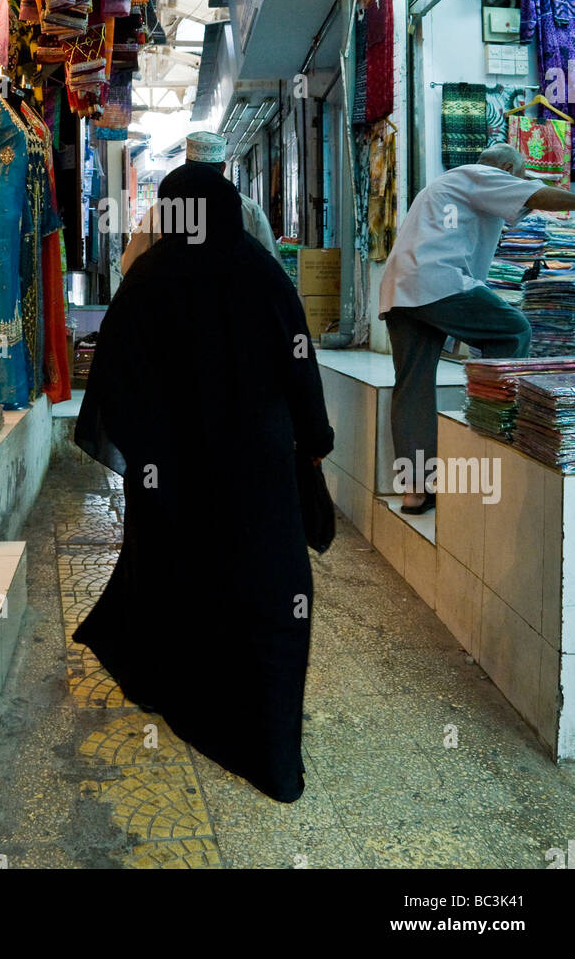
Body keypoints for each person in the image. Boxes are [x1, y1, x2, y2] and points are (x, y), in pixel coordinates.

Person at [74, 162, 334, 802]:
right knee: (268, 595)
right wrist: (315, 442)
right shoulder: (262, 272)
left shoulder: (149, 279)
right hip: (258, 477)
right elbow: (299, 361)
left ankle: (180, 691)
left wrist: (150, 446)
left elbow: (110, 379)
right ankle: (269, 745)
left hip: (174, 480)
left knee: (176, 580)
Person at [380, 144, 575, 513]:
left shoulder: (448, 184)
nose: (517, 184)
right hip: (438, 282)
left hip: (401, 290)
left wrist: (538, 186)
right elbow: (536, 195)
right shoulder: (483, 175)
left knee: (412, 385)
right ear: (504, 168)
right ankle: (494, 428)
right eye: (516, 175)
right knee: (513, 330)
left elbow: (526, 199)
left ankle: (415, 491)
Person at [121, 129, 281, 273]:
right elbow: (272, 265)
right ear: (223, 168)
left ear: (185, 166)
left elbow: (128, 266)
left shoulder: (159, 211)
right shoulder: (249, 209)